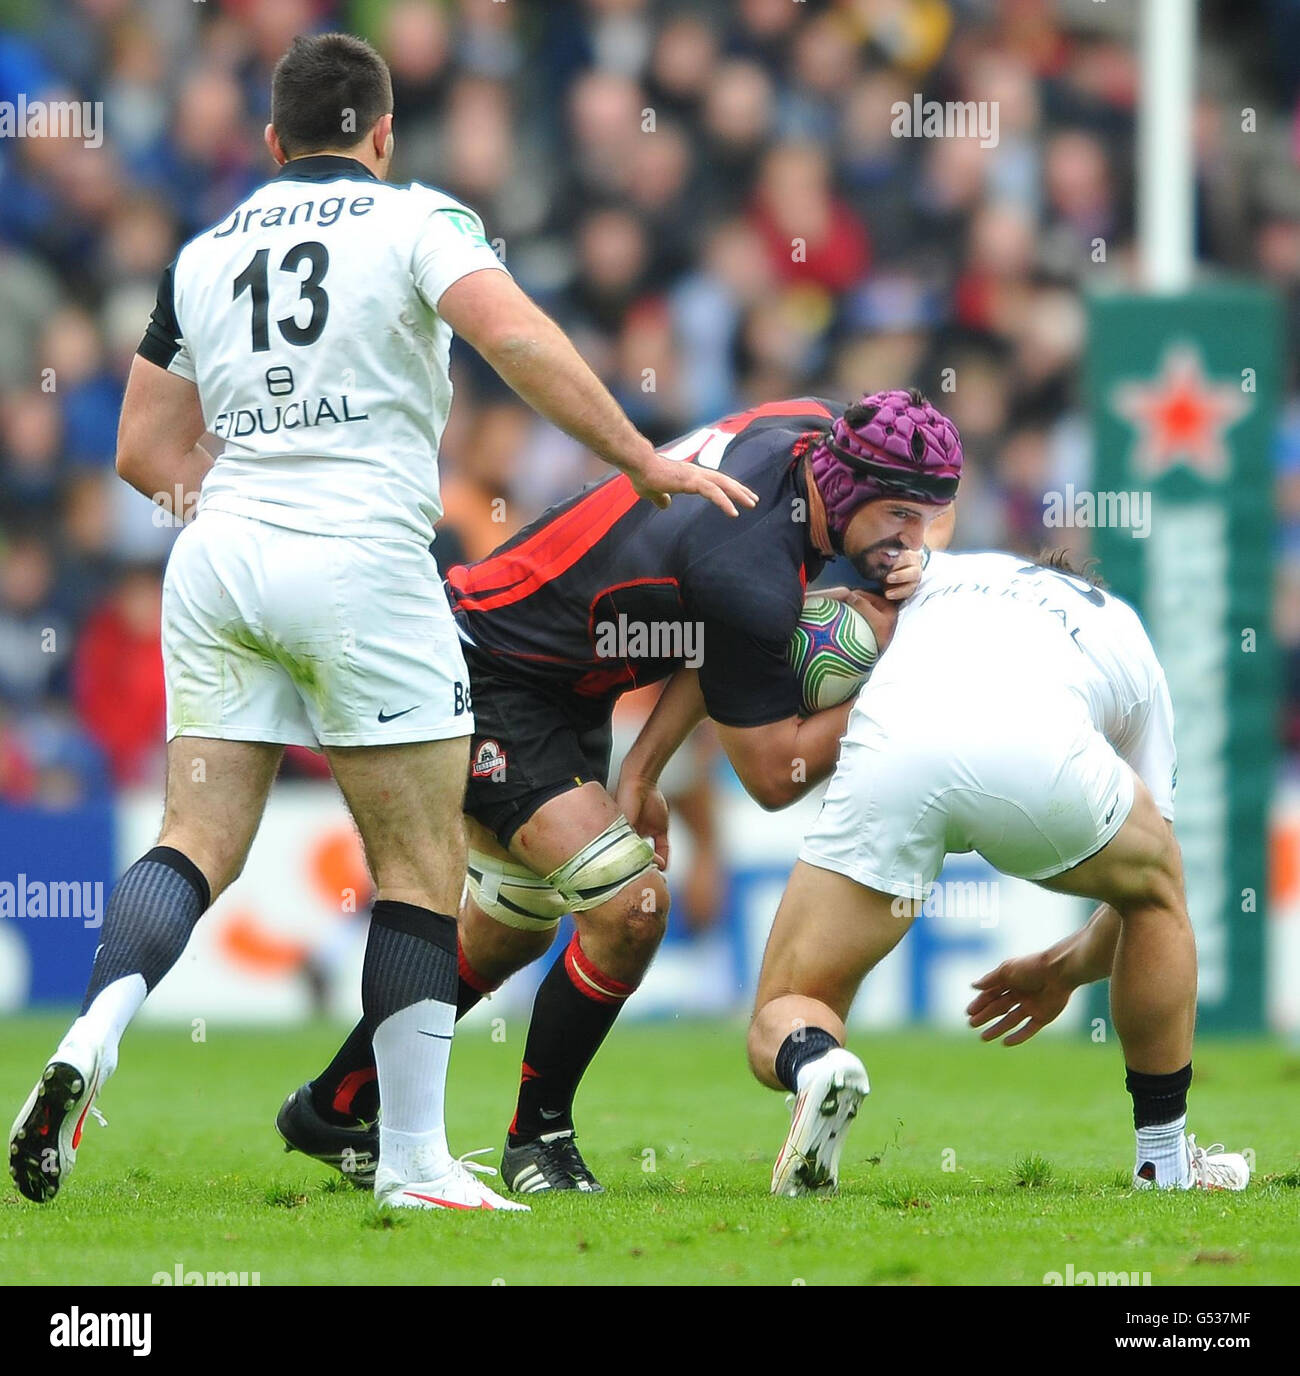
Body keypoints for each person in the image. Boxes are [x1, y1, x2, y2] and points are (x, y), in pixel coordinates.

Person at [8, 32, 753, 1214]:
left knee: (193, 837)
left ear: (270, 142)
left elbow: (141, 450)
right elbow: (514, 337)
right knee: (419, 863)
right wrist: (638, 455)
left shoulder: (202, 252)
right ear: (384, 133)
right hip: (360, 561)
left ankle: (92, 1032)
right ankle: (412, 1158)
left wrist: (245, 506)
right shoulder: (419, 221)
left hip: (220, 559)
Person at [279, 388, 962, 1194]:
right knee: (630, 908)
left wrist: (639, 772)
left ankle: (333, 1104)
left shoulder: (812, 430)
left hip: (570, 681)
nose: (913, 542)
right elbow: (778, 774)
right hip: (489, 671)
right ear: (848, 489)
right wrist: (895, 678)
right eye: (901, 520)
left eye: (929, 518)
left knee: (510, 932)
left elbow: (710, 636)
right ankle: (539, 1141)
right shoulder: (751, 569)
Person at [738, 550, 1249, 1196]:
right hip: (1034, 752)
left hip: (895, 746)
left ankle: (814, 1064)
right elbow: (1140, 902)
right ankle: (1163, 1162)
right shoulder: (1120, 627)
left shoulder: (937, 568)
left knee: (787, 1003)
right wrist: (1062, 970)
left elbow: (847, 604)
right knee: (1156, 887)